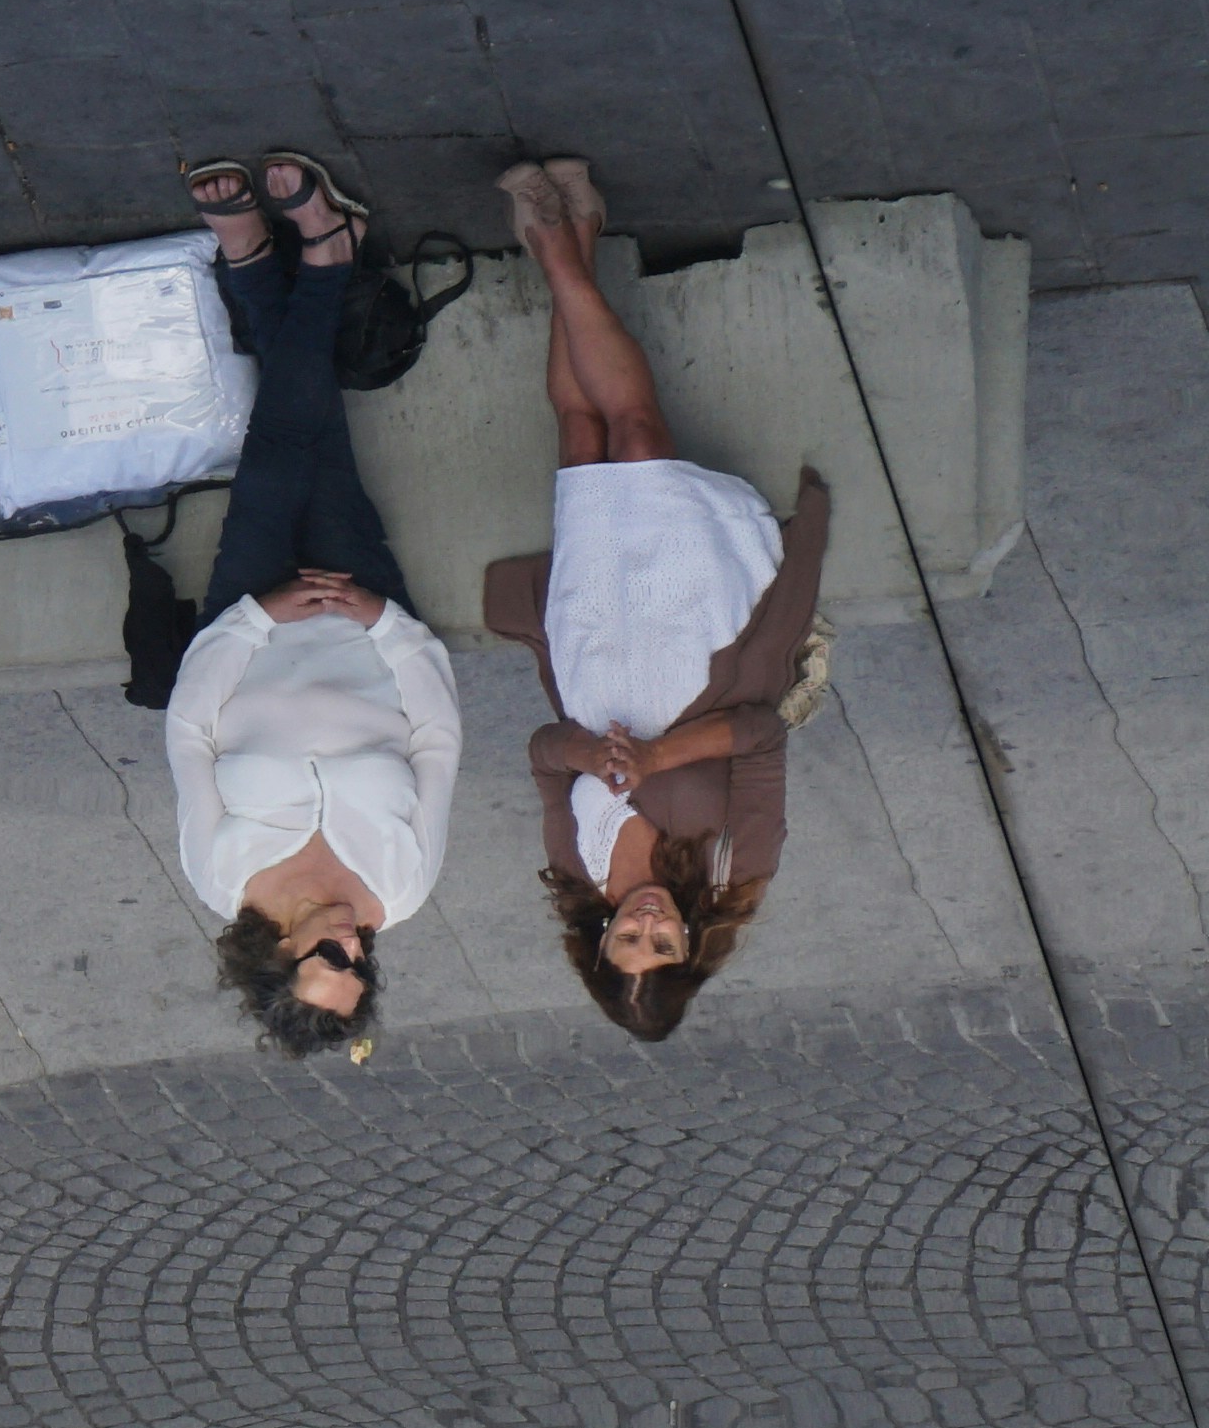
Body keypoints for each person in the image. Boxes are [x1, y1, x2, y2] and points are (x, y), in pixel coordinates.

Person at [480, 156, 831, 1041]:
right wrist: (659, 761)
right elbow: (761, 735)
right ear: (688, 947)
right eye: (662, 943)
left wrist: (592, 753)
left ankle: (576, 236)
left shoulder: (575, 872)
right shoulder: (735, 871)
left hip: (597, 656)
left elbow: (540, 755)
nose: (646, 921)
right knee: (639, 443)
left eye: (627, 940)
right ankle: (556, 247)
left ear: (601, 942)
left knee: (582, 439)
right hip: (696, 645)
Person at [153, 149, 457, 1059]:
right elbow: (436, 741)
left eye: (332, 956)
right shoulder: (403, 885)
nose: (356, 943)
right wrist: (381, 622)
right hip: (368, 623)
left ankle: (310, 261)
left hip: (248, 628)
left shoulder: (222, 876)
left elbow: (188, 735)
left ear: (280, 954)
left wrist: (258, 617)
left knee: (284, 454)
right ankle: (272, 264)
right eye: (362, 964)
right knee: (307, 445)